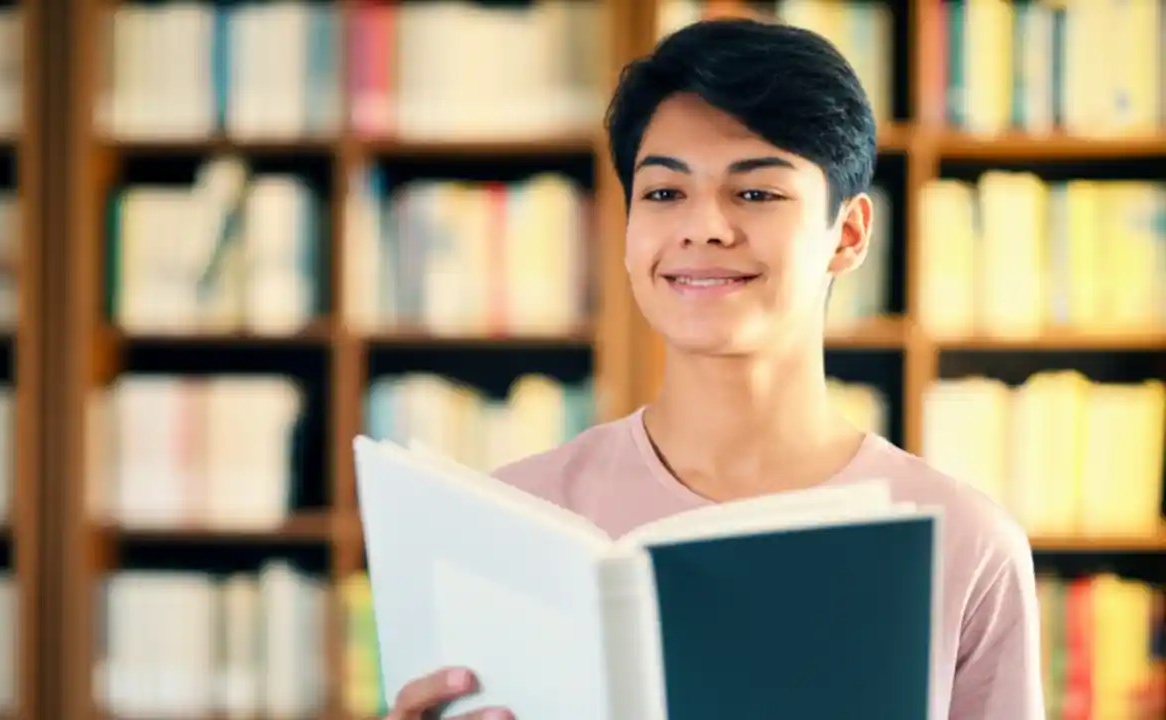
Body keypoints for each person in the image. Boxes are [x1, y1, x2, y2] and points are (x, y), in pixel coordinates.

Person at [384, 16, 1044, 720]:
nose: (703, 227)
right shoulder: (510, 523)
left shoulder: (964, 542)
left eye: (756, 193)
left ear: (846, 235)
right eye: (665, 194)